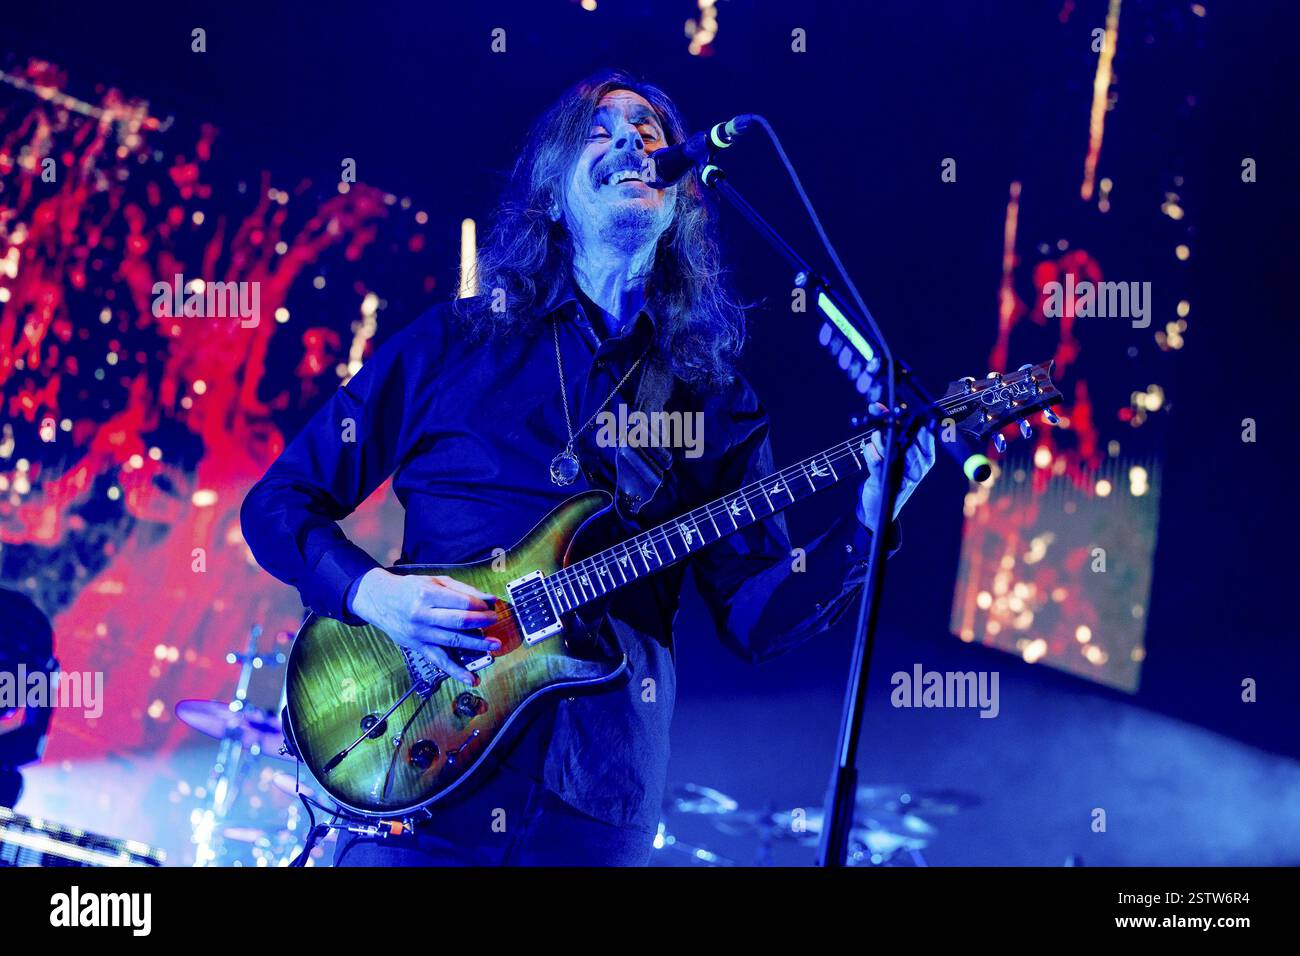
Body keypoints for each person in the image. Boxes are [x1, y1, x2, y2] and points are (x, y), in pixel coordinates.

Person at [240, 69, 934, 866]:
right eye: (600, 134)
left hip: (598, 801)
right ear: (553, 192)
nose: (632, 144)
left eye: (649, 132)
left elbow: (757, 617)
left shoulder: (715, 402)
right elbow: (277, 504)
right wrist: (376, 595)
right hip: (413, 765)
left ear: (680, 200)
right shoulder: (456, 343)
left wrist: (868, 522)